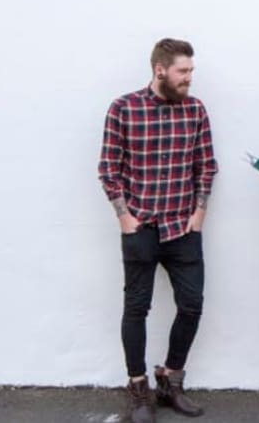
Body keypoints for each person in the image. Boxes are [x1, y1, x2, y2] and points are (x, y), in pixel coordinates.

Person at [98, 38, 218, 423]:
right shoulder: (124, 108)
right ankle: (138, 392)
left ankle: (170, 379)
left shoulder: (195, 110)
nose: (189, 78)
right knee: (136, 307)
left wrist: (199, 213)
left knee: (192, 303)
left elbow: (207, 166)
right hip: (141, 226)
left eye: (191, 71)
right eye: (183, 71)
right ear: (160, 69)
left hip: (183, 225)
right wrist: (124, 217)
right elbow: (108, 168)